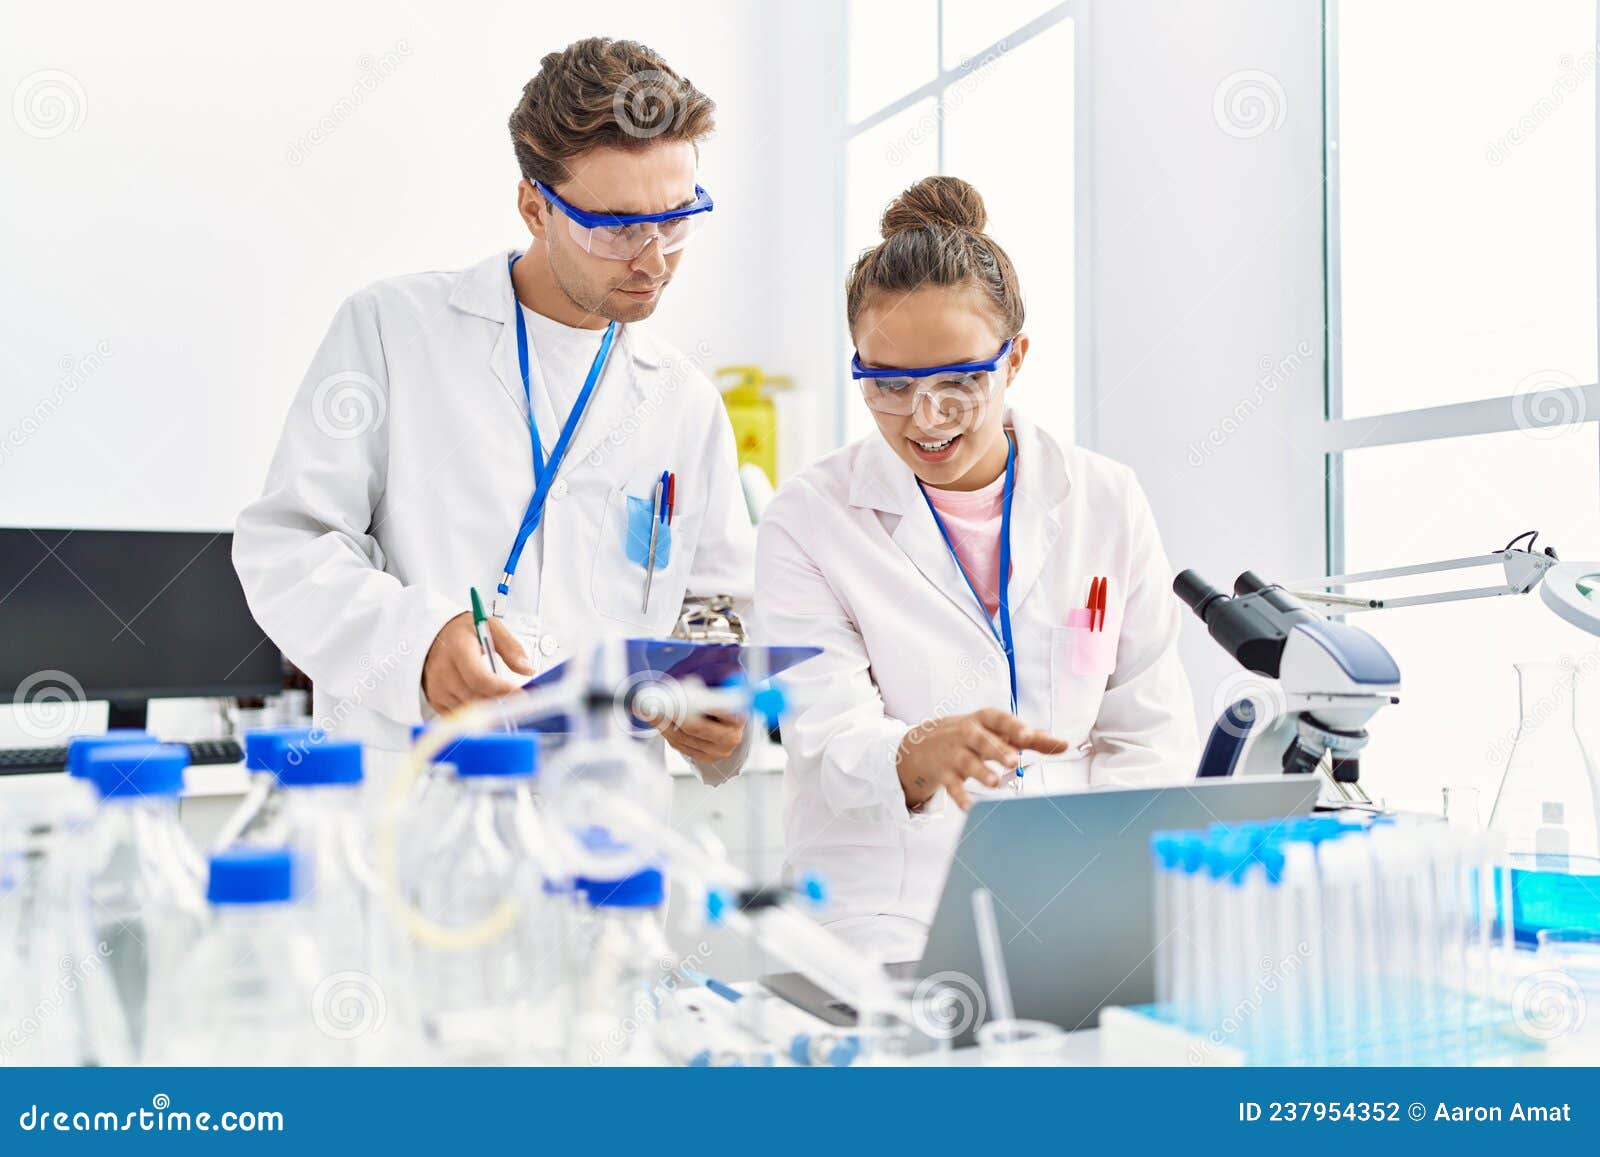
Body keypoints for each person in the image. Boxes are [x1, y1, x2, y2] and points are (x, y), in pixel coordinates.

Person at [234, 38, 752, 779]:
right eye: (617, 227)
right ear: (533, 206)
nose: (653, 258)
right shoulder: (391, 330)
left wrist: (721, 689)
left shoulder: (685, 401)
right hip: (419, 813)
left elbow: (716, 601)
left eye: (676, 219)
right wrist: (417, 644)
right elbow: (286, 547)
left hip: (606, 829)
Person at [753, 176, 1198, 960]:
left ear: (1015, 358)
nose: (924, 417)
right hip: (886, 917)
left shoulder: (1105, 497)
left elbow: (1148, 732)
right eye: (888, 385)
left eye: (960, 380)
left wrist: (1109, 888)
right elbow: (824, 737)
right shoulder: (810, 517)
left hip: (1081, 904)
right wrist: (914, 752)